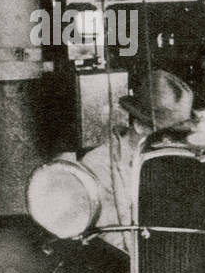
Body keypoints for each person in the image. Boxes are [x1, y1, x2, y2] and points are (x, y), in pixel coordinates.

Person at [81, 69, 194, 255]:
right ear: (140, 126)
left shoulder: (168, 159)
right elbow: (114, 243)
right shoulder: (98, 165)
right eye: (168, 136)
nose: (176, 143)